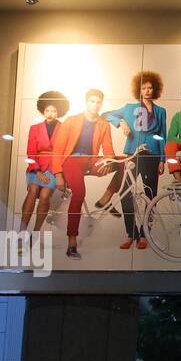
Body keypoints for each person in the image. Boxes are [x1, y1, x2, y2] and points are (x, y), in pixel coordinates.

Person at [101, 71, 168, 250]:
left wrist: (162, 159)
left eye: (150, 88)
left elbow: (163, 135)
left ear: (155, 89)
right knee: (125, 192)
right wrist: (121, 123)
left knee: (150, 194)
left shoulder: (161, 111)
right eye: (144, 88)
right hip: (132, 153)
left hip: (152, 155)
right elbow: (105, 114)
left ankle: (145, 234)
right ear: (139, 90)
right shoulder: (129, 107)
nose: (147, 91)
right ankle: (131, 234)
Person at [52, 88, 116, 260]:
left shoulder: (103, 124)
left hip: (91, 161)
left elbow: (108, 149)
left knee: (123, 162)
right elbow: (58, 149)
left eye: (98, 102)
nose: (95, 105)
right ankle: (72, 242)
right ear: (86, 102)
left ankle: (106, 198)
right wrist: (58, 174)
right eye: (92, 101)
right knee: (79, 194)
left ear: (102, 104)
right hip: (71, 161)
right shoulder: (71, 120)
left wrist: (109, 161)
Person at [19, 91, 68, 239]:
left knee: (45, 195)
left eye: (54, 111)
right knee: (33, 191)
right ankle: (22, 231)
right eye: (47, 110)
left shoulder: (64, 128)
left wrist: (59, 173)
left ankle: (35, 233)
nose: (50, 114)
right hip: (36, 167)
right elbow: (31, 152)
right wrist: (37, 171)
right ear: (43, 110)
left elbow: (65, 152)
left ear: (59, 112)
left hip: (54, 168)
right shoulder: (34, 128)